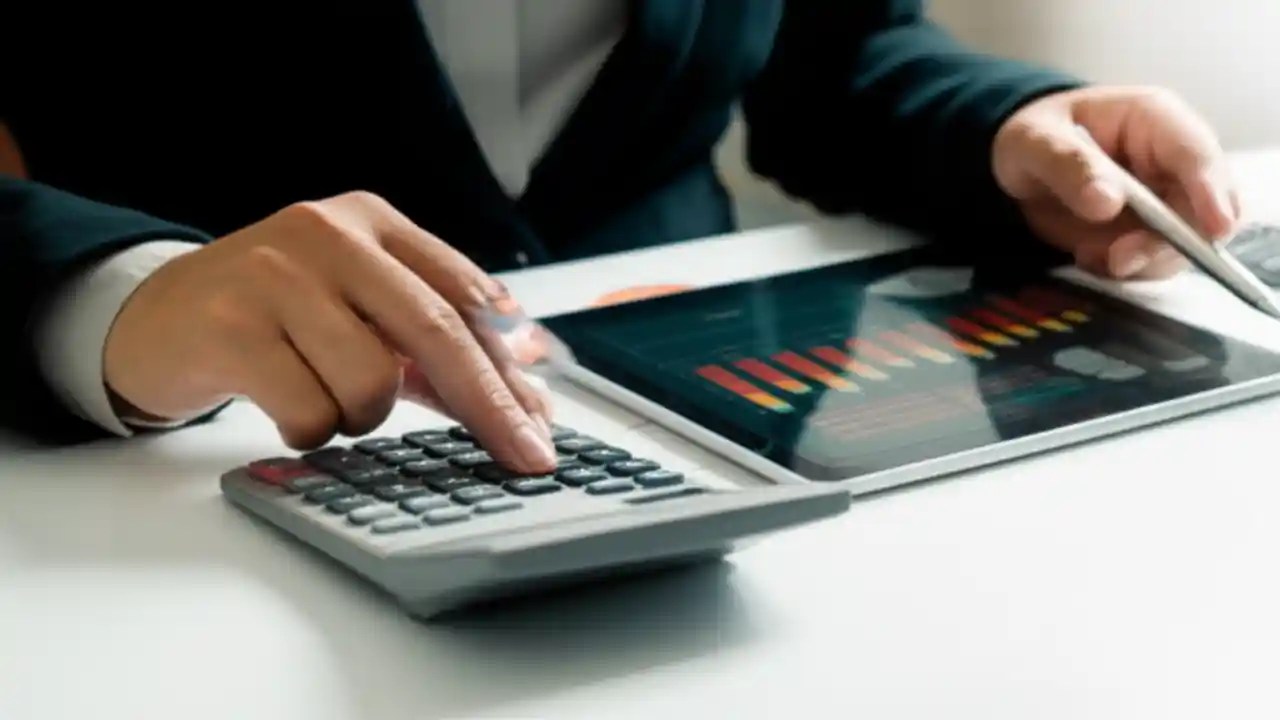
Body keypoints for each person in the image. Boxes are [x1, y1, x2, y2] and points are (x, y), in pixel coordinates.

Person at [0, 1, 1240, 476]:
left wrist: (1006, 126)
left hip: (729, 443)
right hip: (184, 479)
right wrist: (112, 295)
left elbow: (833, 53)